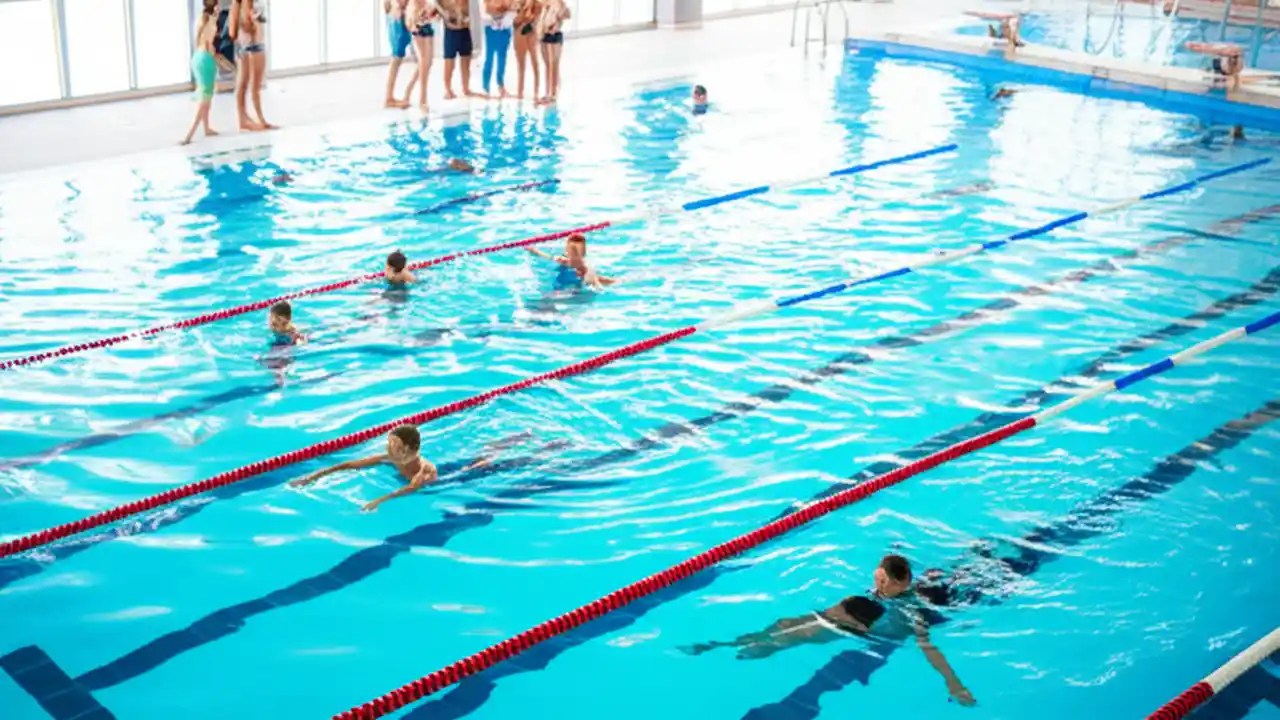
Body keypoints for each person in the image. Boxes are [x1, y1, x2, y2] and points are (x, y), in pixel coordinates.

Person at [682, 554, 976, 707]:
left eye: (882, 579)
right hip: (843, 616)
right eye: (878, 576)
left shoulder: (911, 611)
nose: (877, 580)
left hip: (848, 624)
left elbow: (928, 647)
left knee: (796, 633)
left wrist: (953, 683)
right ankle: (723, 645)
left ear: (892, 582)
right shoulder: (882, 591)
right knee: (786, 624)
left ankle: (734, 646)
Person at [290, 424, 438, 512]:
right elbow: (349, 464)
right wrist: (310, 478)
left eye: (393, 444)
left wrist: (378, 501)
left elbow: (411, 488)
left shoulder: (423, 469)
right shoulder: (391, 458)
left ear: (405, 448)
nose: (387, 446)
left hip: (435, 487)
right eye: (389, 442)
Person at [229, 0, 275, 131]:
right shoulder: (244, 3)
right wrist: (256, 21)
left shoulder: (236, 4)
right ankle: (259, 120)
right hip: (253, 46)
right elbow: (245, 26)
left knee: (243, 85)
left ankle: (245, 120)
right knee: (253, 86)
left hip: (245, 46)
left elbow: (233, 32)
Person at [182, 0, 223, 146]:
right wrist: (216, 59)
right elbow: (209, 44)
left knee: (206, 96)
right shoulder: (211, 22)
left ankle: (206, 128)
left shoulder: (202, 18)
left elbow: (201, 41)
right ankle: (189, 135)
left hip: (197, 58)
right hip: (205, 59)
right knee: (204, 100)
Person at [525, 233, 613, 289]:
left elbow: (596, 284)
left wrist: (598, 285)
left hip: (574, 290)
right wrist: (534, 251)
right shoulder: (564, 261)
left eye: (576, 253)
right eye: (572, 252)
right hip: (563, 286)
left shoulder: (586, 269)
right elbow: (548, 257)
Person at [440, 0, 478, 98]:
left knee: (466, 60)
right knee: (449, 62)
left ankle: (466, 88)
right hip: (451, 30)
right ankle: (448, 89)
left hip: (465, 29)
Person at [406, 0, 439, 110]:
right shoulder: (412, 4)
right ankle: (423, 99)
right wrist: (417, 20)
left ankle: (408, 90)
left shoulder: (427, 3)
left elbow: (435, 16)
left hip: (427, 29)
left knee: (427, 64)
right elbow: (410, 22)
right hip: (418, 31)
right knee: (423, 62)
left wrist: (431, 15)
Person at [383, 0, 416, 109]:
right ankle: (389, 98)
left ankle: (390, 97)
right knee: (396, 58)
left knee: (397, 58)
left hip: (399, 16)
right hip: (398, 18)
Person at [537, 0, 570, 105]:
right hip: (544, 35)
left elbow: (566, 15)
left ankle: (552, 94)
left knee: (553, 65)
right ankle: (549, 93)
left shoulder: (559, 3)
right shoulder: (543, 3)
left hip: (554, 35)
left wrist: (558, 18)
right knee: (548, 65)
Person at [483, 0, 515, 98]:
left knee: (502, 58)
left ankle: (500, 86)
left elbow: (511, 6)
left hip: (504, 29)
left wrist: (502, 7)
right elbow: (489, 7)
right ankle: (486, 87)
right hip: (491, 28)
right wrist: (503, 7)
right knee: (489, 57)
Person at [512, 0, 541, 100]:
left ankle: (536, 91)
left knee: (535, 62)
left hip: (531, 33)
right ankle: (520, 91)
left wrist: (526, 14)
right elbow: (516, 21)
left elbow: (534, 17)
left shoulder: (536, 4)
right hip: (519, 33)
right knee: (521, 65)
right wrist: (522, 13)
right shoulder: (516, 3)